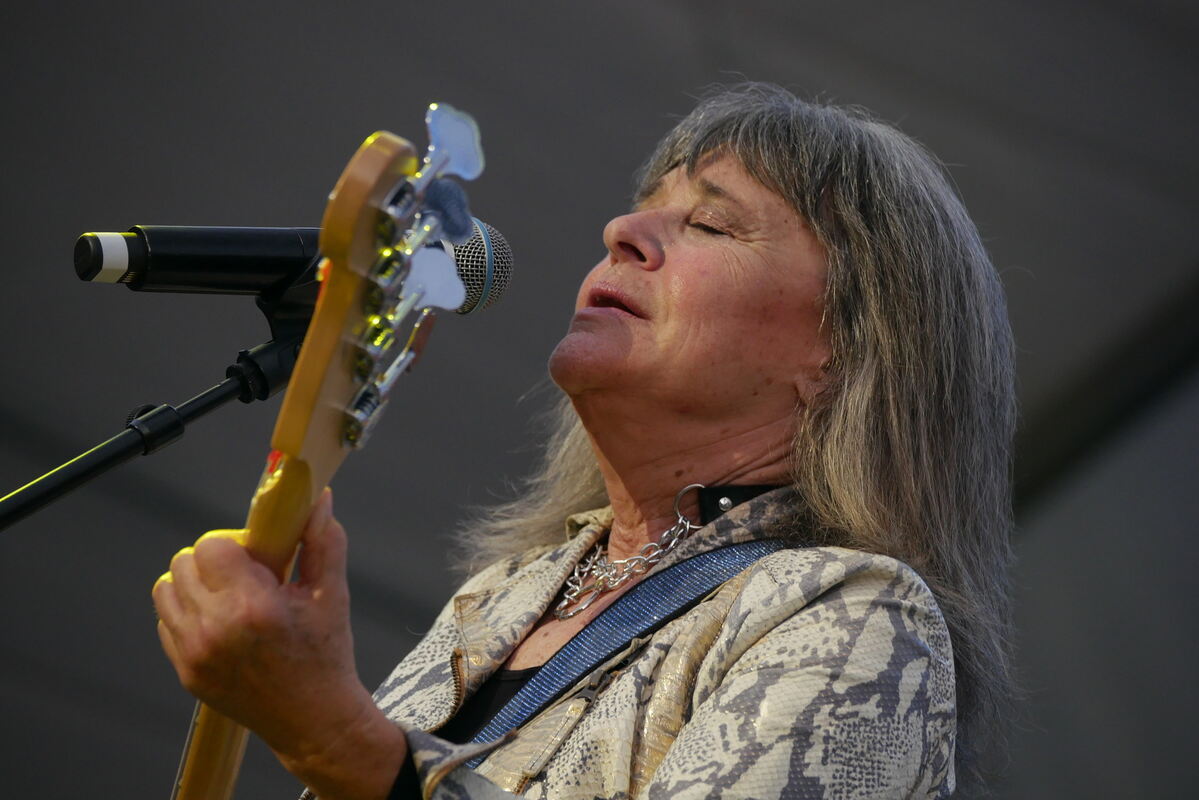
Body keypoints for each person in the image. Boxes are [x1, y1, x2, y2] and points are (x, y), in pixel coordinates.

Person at [152, 83, 1016, 799]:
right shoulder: (496, 601)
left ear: (843, 352)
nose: (620, 232)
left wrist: (336, 739)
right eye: (645, 208)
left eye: (710, 226)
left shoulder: (853, 612)